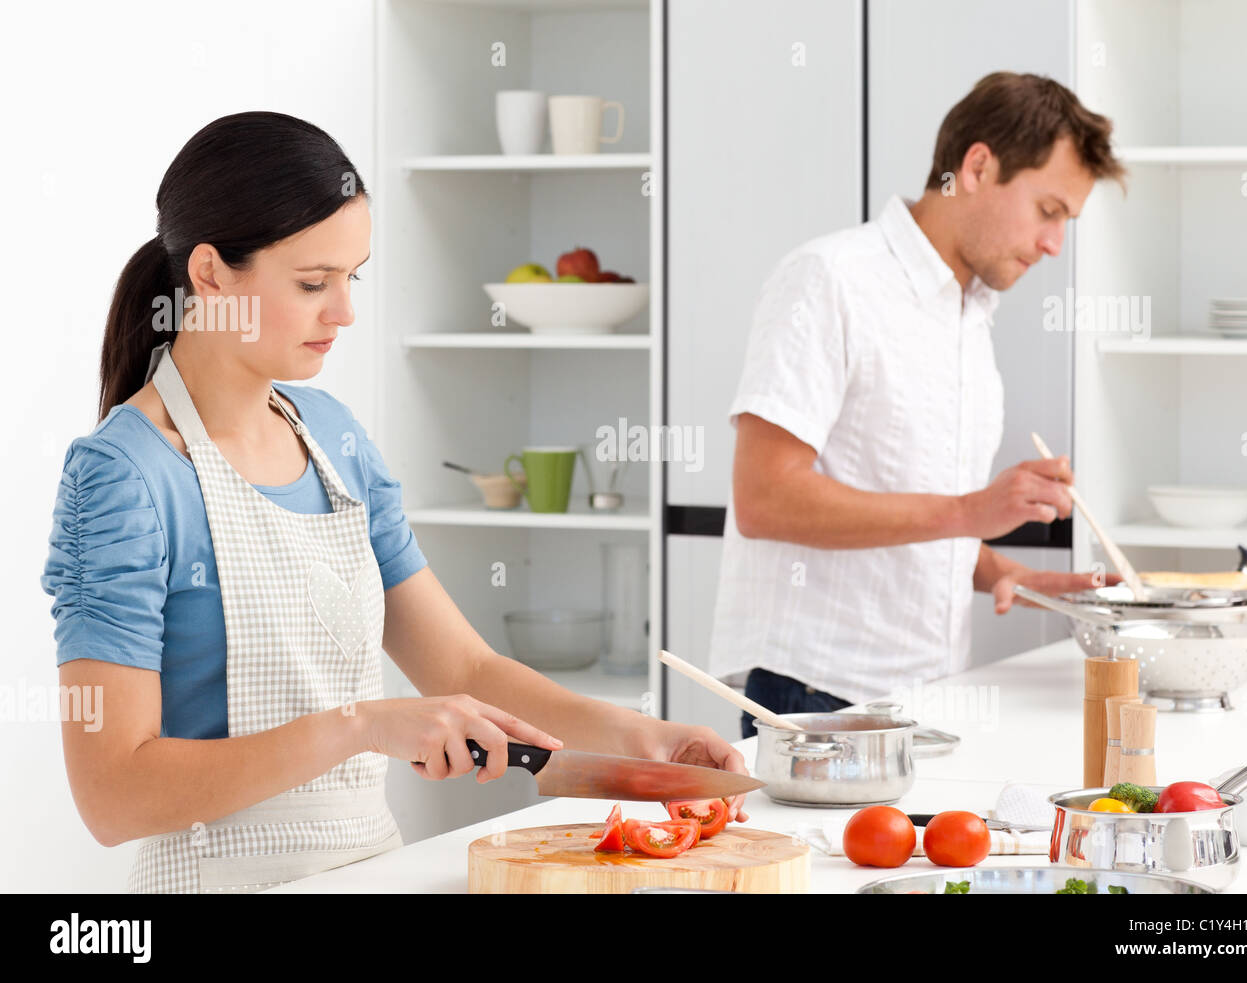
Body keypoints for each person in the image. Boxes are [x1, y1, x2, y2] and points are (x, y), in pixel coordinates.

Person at [42, 111, 747, 894]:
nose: (343, 311)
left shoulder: (336, 441)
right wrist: (364, 725)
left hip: (372, 873)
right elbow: (112, 795)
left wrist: (643, 738)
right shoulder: (123, 477)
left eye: (353, 277)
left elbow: (466, 666)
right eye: (313, 283)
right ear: (210, 274)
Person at [709, 73, 1128, 738]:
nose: (1054, 245)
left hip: (926, 692)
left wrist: (993, 565)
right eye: (1048, 211)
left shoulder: (969, 315)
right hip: (816, 695)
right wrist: (970, 512)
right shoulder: (831, 279)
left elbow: (895, 502)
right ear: (978, 166)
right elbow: (765, 498)